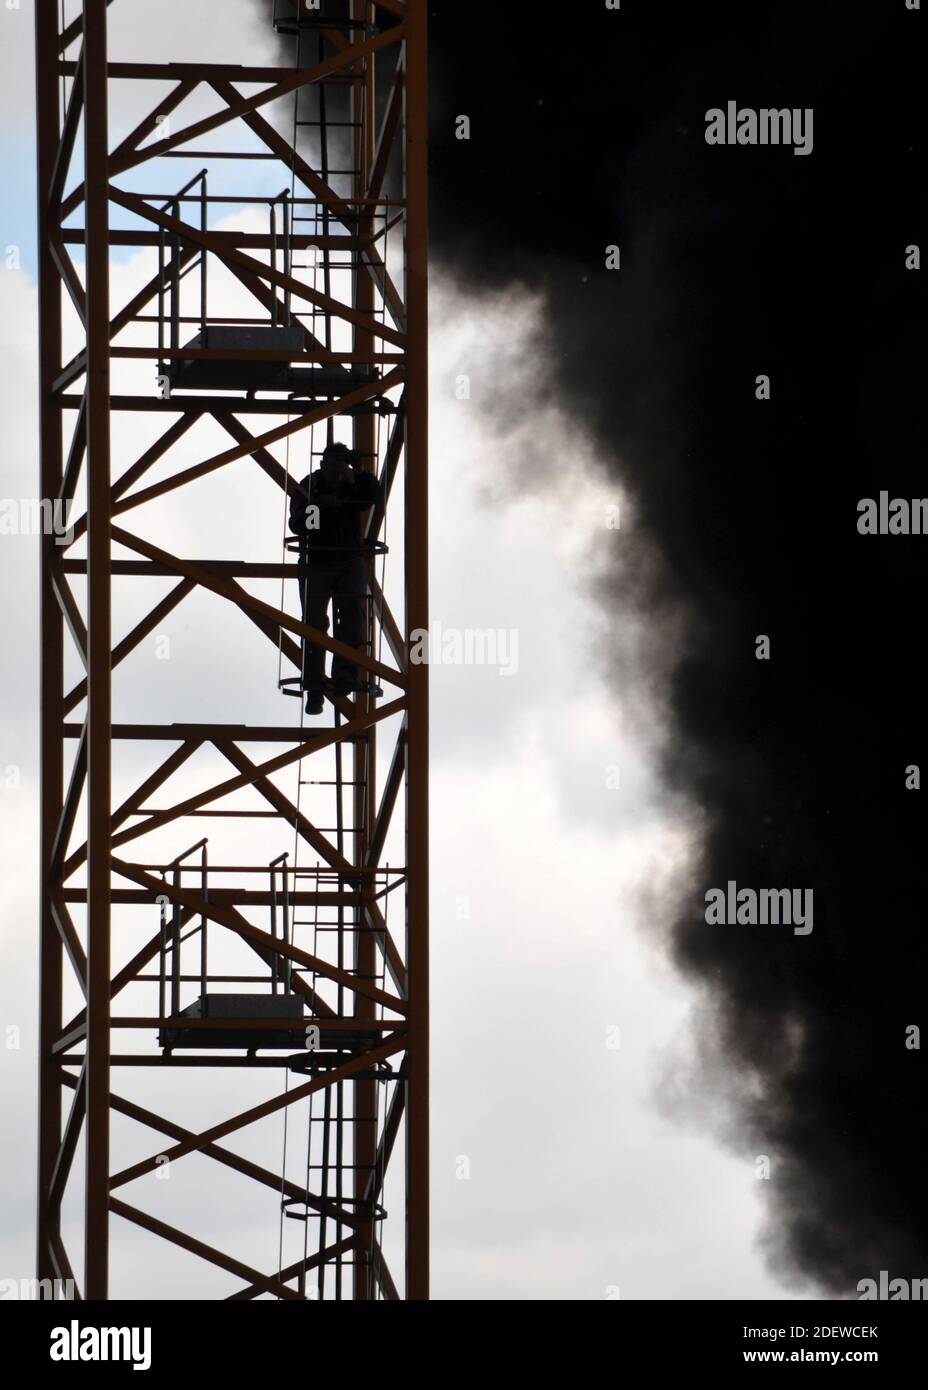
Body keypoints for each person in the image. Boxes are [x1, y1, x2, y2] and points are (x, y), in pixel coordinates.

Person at [289, 441, 382, 715]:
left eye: (343, 472)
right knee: (314, 626)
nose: (338, 478)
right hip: (317, 562)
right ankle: (315, 685)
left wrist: (361, 470)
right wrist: (318, 508)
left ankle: (345, 675)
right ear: (322, 467)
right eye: (334, 472)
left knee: (352, 617)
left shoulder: (355, 484)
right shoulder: (309, 487)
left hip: (348, 562)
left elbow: (373, 497)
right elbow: (297, 524)